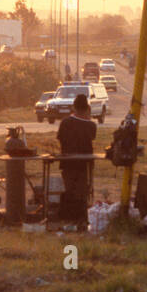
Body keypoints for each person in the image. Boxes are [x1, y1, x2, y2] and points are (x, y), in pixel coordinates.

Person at [57, 93, 98, 229]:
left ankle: (68, 218)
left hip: (67, 162)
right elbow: (92, 138)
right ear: (87, 108)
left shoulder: (65, 122)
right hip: (84, 164)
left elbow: (60, 139)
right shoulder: (91, 125)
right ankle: (80, 218)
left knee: (69, 189)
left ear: (73, 107)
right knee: (82, 191)